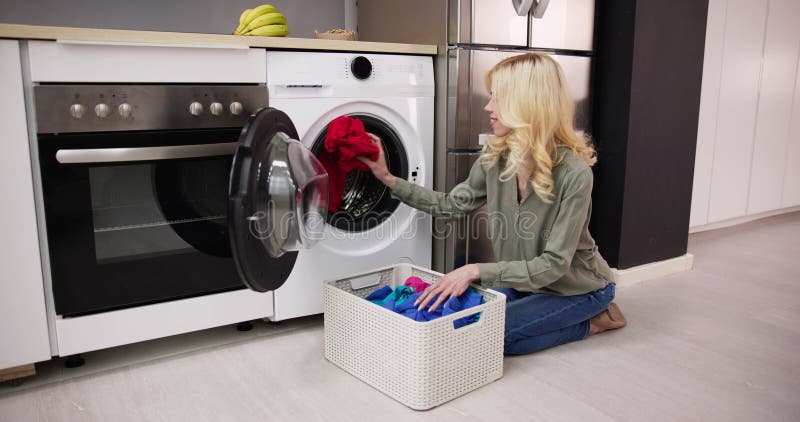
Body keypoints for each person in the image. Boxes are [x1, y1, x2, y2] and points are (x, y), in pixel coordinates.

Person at [358, 53, 626, 355]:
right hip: (523, 284)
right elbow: (449, 205)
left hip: (578, 289)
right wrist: (387, 177)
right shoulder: (494, 160)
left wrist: (474, 270)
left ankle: (592, 322)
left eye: (497, 99)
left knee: (491, 337)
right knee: (463, 322)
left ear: (526, 105)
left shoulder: (575, 173)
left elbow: (552, 266)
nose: (488, 107)